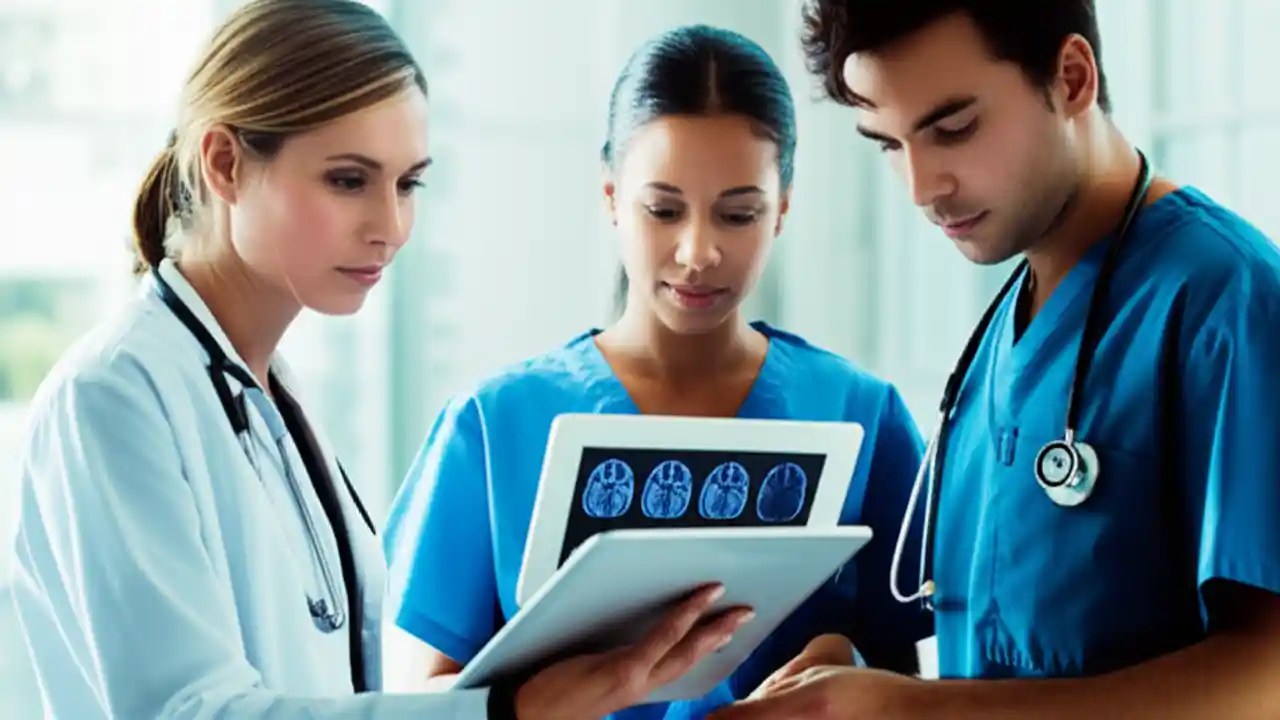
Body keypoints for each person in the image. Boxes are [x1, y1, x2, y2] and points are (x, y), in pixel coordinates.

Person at [7, 2, 753, 718]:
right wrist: (508, 712)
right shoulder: (114, 394)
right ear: (226, 162)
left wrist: (554, 688)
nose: (391, 226)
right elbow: (189, 712)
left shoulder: (270, 398)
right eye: (348, 180)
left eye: (409, 183)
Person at [711, 1, 1280, 718]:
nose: (921, 189)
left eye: (954, 129)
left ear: (1072, 78)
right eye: (888, 144)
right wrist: (858, 687)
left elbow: (1268, 680)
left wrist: (919, 713)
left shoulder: (1228, 302)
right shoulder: (1003, 333)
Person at [380, 23, 932, 720]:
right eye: (662, 210)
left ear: (783, 209)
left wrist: (842, 665)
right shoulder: (493, 426)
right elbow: (412, 704)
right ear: (611, 197)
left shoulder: (860, 417)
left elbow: (906, 684)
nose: (698, 252)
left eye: (738, 214)